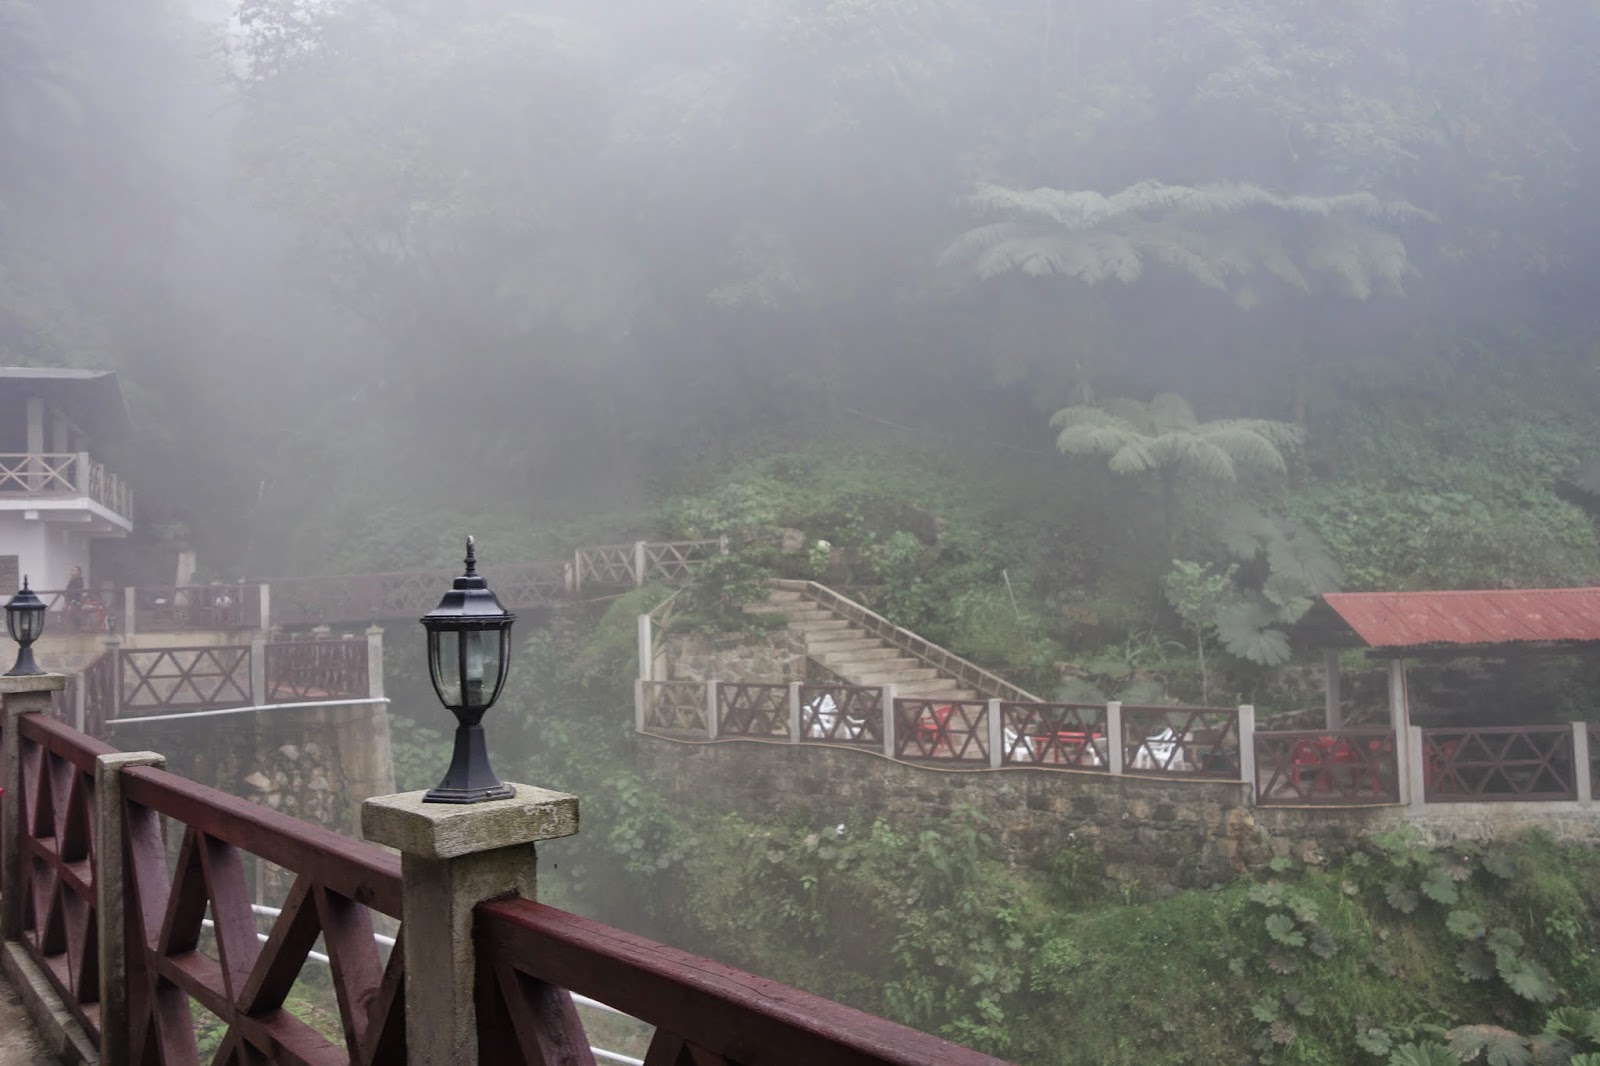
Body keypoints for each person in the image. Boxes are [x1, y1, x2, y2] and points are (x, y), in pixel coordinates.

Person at [64, 566, 85, 630]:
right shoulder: (72, 579)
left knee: (75, 613)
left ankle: (77, 628)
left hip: (75, 600)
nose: (73, 572)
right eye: (72, 570)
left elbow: (77, 591)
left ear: (79, 572)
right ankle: (71, 628)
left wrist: (74, 599)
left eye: (75, 570)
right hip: (70, 599)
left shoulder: (78, 580)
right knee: (69, 613)